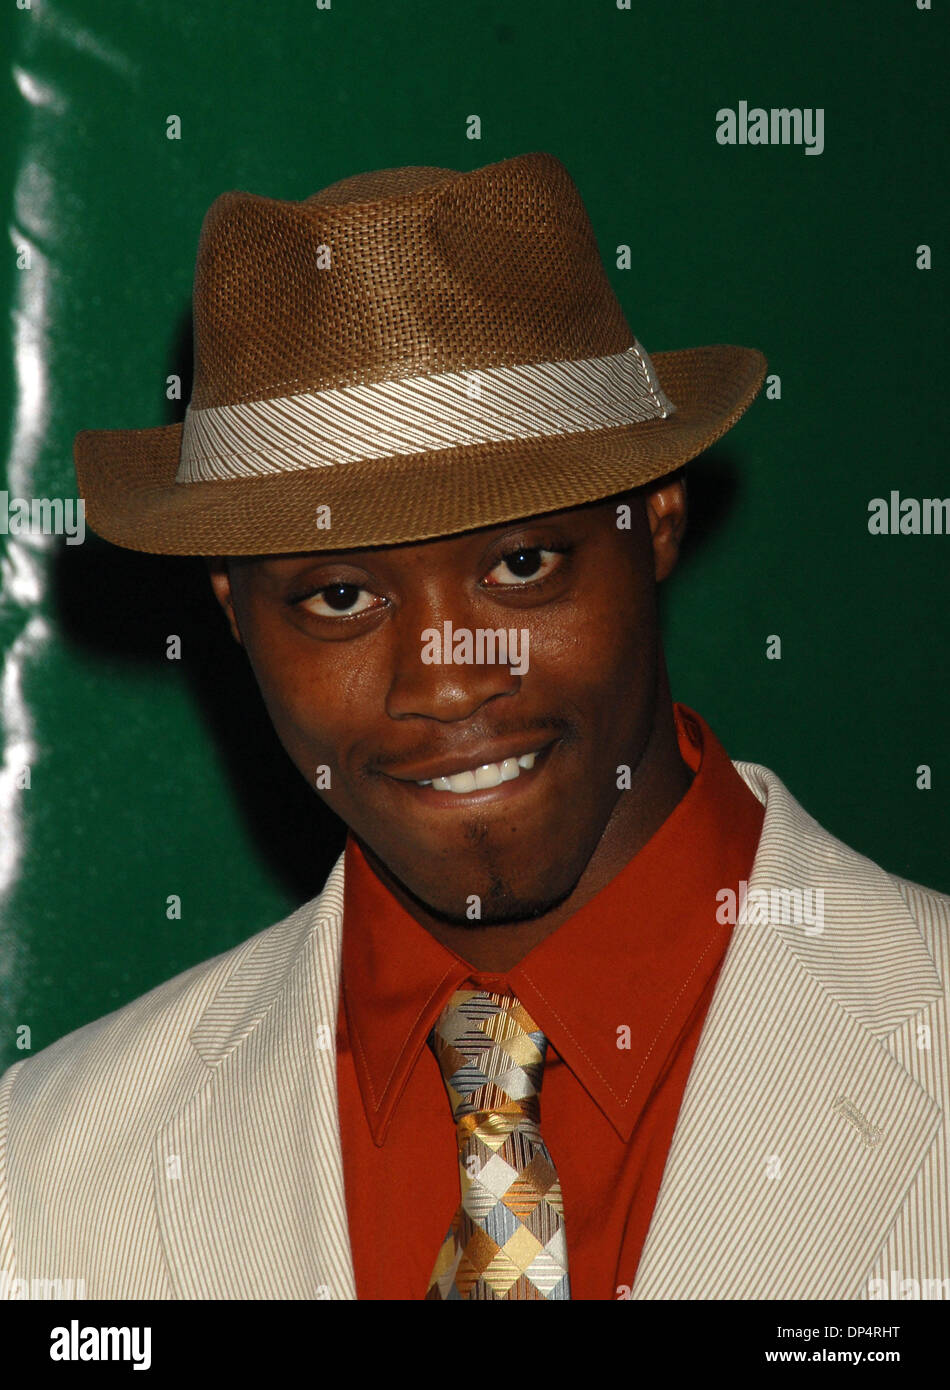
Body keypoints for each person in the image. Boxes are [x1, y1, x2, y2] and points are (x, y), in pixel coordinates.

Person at [1, 151, 947, 1302]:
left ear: (654, 522)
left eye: (522, 562)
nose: (445, 681)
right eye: (339, 596)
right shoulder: (44, 1172)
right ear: (231, 610)